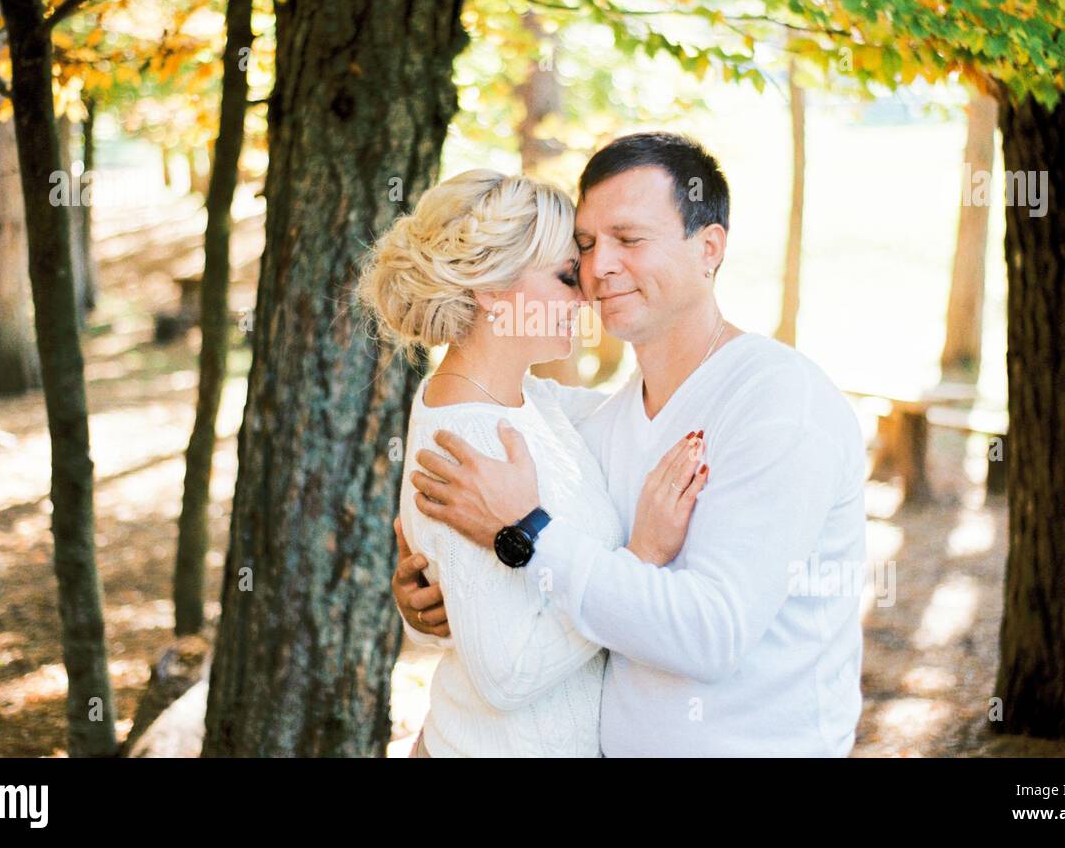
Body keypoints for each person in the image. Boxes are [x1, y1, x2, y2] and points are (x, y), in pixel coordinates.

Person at [394, 133, 867, 756]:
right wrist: (434, 596)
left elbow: (710, 636)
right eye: (584, 248)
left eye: (630, 239)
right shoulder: (589, 420)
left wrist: (526, 533)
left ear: (709, 249)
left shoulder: (779, 403)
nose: (597, 270)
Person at [357, 168, 707, 757]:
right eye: (568, 276)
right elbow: (508, 676)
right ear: (493, 289)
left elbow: (652, 404)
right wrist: (639, 559)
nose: (586, 294)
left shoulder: (528, 401)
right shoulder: (469, 438)